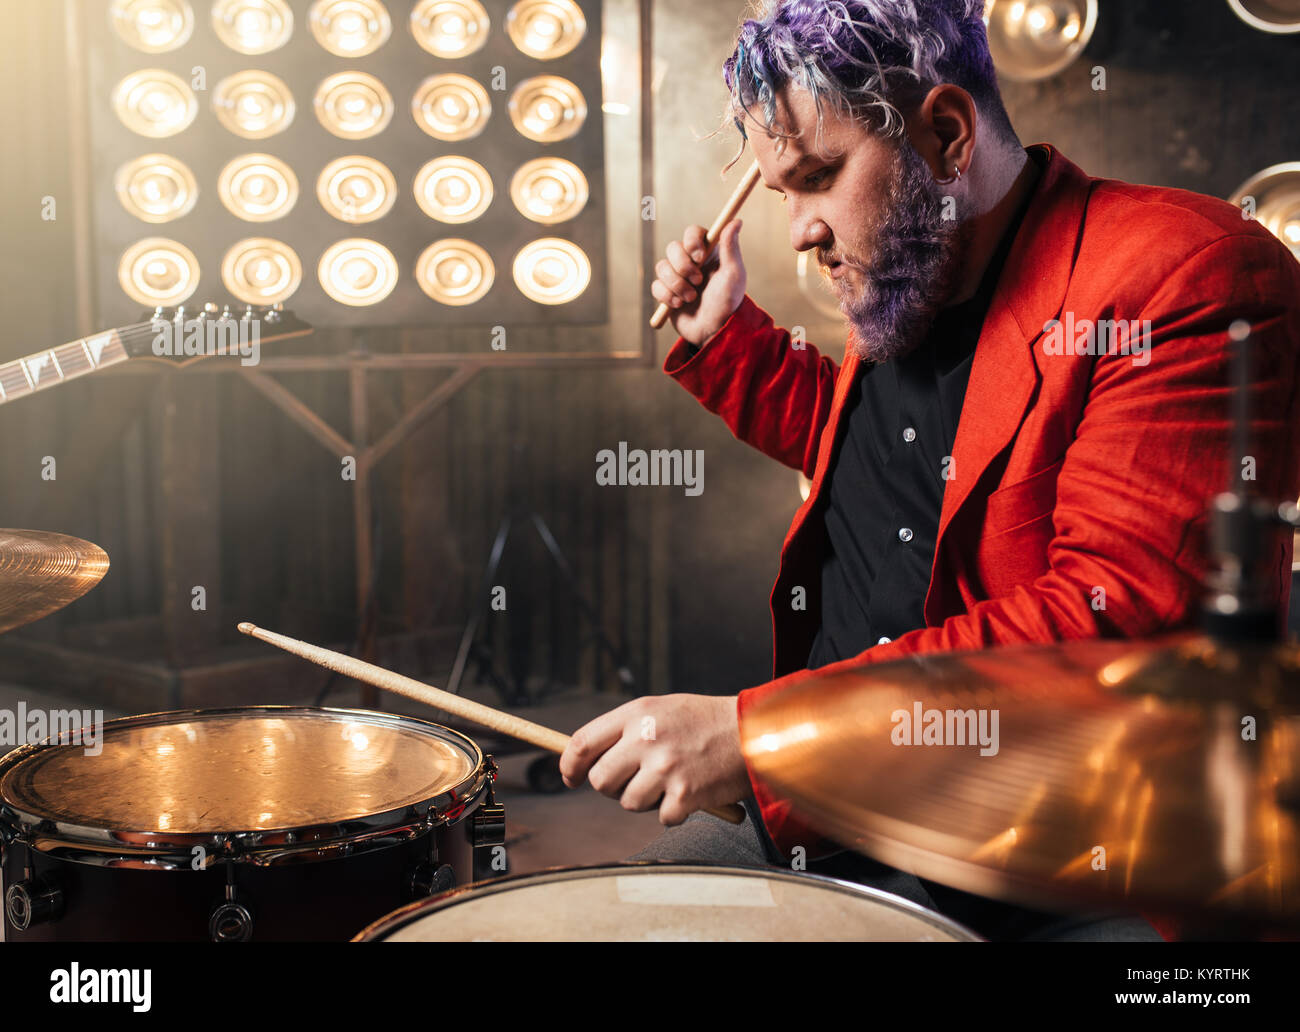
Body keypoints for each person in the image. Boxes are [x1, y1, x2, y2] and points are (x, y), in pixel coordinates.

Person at [558, 0, 1300, 940]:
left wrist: (766, 737)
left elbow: (1117, 618)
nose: (799, 233)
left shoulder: (1189, 272)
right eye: (780, 190)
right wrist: (726, 339)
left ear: (946, 134)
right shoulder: (918, 260)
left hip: (1050, 845)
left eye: (819, 177)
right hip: (842, 806)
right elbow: (881, 461)